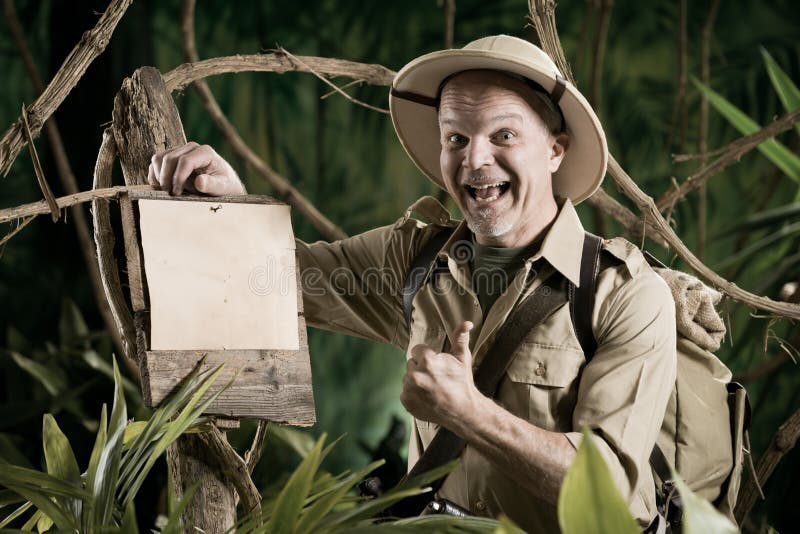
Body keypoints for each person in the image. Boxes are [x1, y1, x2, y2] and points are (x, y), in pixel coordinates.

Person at [149, 35, 677, 531]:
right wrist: (228, 196)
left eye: (504, 135)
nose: (474, 159)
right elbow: (278, 278)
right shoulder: (416, 259)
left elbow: (615, 497)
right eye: (456, 137)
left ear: (556, 150)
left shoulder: (624, 296)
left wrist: (469, 414)